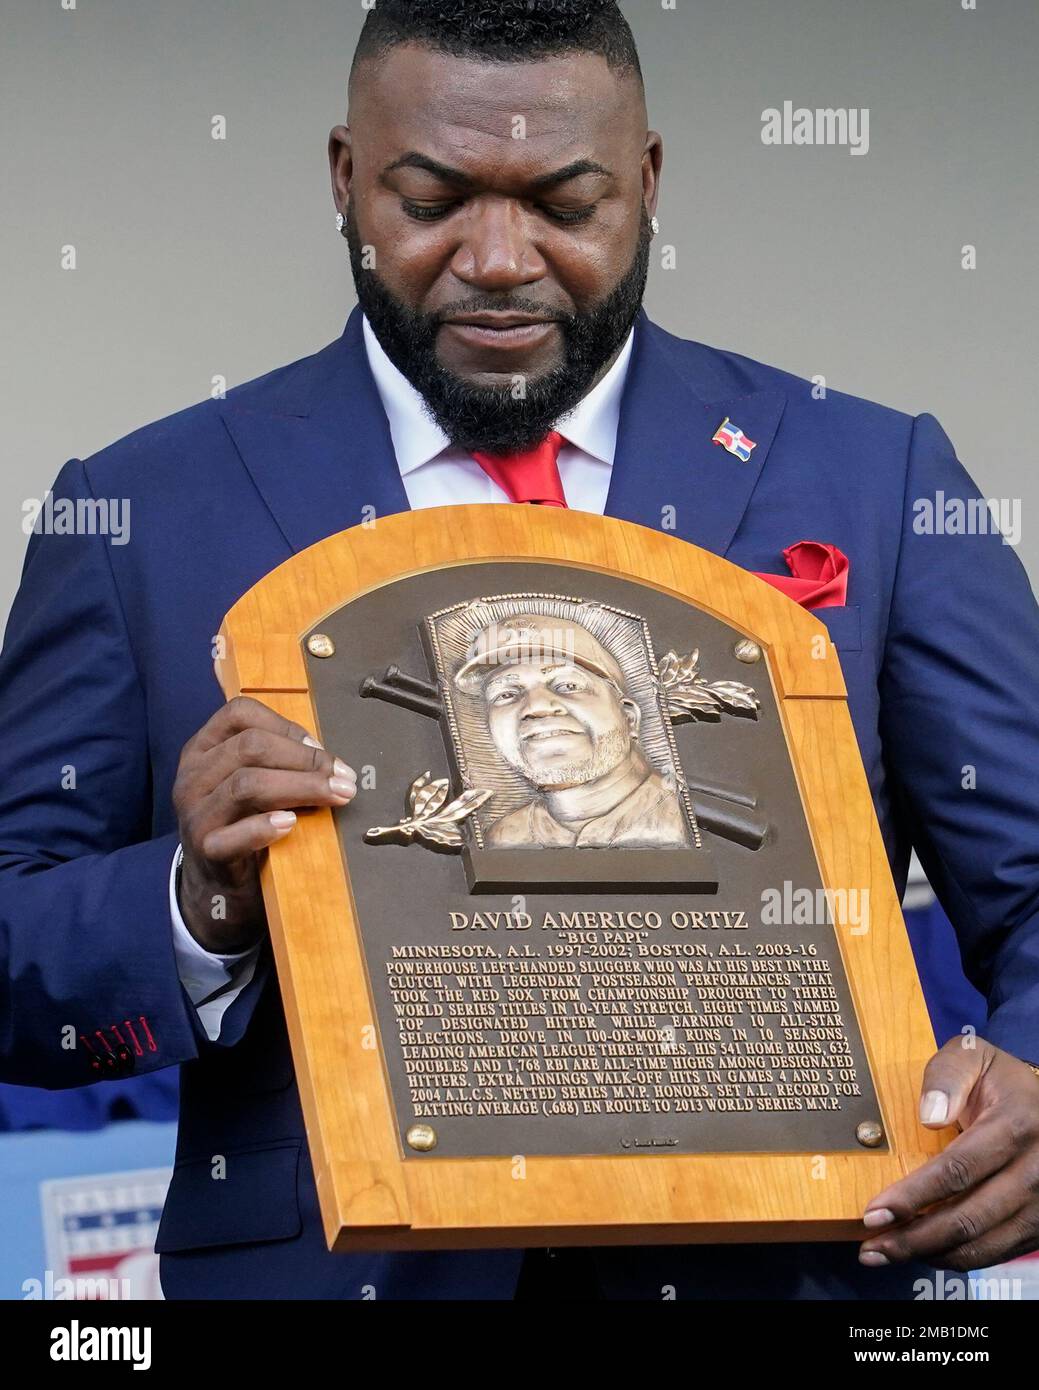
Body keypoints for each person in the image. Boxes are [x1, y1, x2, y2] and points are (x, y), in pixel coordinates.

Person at [2, 0, 1039, 1300]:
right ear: (343, 179)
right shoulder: (140, 513)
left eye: (563, 201)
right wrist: (194, 903)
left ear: (647, 182)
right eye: (431, 198)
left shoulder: (869, 479)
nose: (496, 258)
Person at [454, 613, 692, 849]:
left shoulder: (685, 818)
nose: (536, 707)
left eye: (567, 685)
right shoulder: (502, 837)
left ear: (629, 718)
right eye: (506, 694)